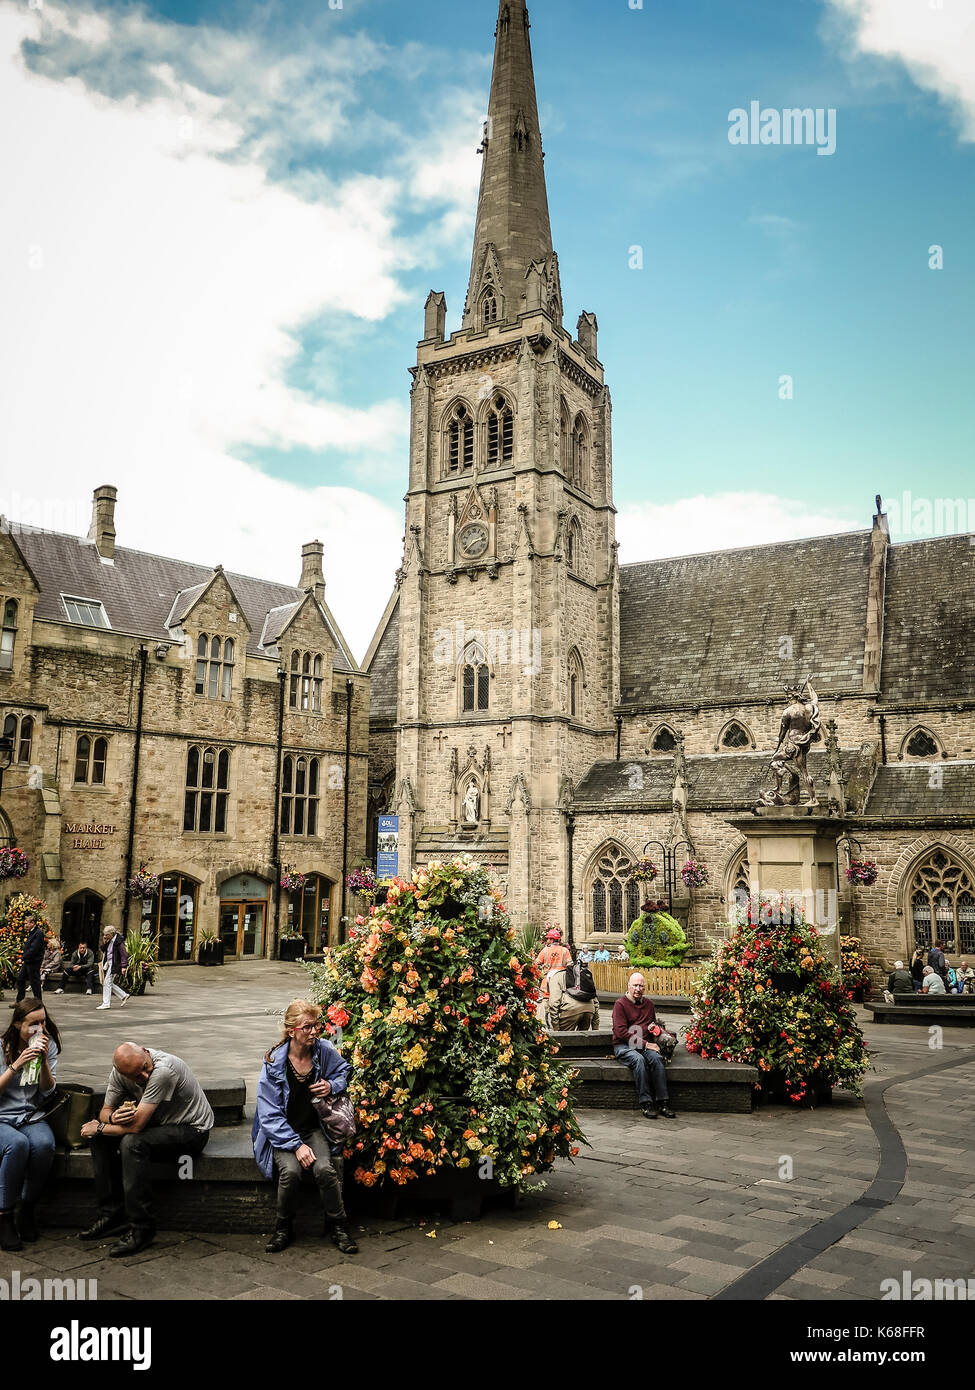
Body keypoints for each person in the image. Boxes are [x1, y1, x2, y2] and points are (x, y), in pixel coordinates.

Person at [79, 1043, 213, 1256]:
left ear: (144, 1051)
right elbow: (105, 1110)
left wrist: (102, 1126)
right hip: (159, 1123)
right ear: (122, 1072)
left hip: (192, 1130)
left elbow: (135, 1127)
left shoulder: (163, 1071)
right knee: (101, 1139)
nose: (144, 1074)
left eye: (145, 1067)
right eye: (136, 1075)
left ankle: (142, 1228)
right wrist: (111, 1119)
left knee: (131, 1144)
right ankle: (112, 1215)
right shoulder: (119, 1073)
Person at [252, 1000, 358, 1256]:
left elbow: (344, 1071)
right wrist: (296, 1145)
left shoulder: (323, 1050)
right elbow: (269, 1115)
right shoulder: (274, 1061)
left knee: (325, 1169)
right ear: (292, 1031)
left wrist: (332, 1085)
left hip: (314, 1129)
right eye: (307, 1027)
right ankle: (283, 1227)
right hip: (283, 1132)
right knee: (290, 1172)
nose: (314, 1032)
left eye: (316, 1025)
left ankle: (339, 1226)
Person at [0, 999, 60, 1251]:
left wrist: (44, 1061)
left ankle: (27, 1209)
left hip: (30, 1116)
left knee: (44, 1144)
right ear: (17, 1025)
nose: (40, 1028)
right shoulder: (2, 1046)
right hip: (2, 1117)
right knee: (17, 1145)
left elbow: (47, 1092)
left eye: (43, 1022)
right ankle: (4, 1216)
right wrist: (15, 1065)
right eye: (33, 1024)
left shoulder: (49, 1045)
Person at [611, 973, 676, 1120]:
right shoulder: (620, 1005)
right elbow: (620, 1032)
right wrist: (647, 1044)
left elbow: (650, 1026)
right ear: (628, 986)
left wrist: (655, 1030)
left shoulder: (649, 1005)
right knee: (638, 1060)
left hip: (645, 1046)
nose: (638, 989)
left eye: (641, 986)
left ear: (644, 988)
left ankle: (663, 1102)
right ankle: (646, 1103)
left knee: (657, 1059)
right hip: (624, 1046)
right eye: (635, 985)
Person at [546, 955, 599, 1032]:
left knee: (565, 1040)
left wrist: (556, 1027)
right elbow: (594, 999)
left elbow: (553, 1002)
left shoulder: (555, 977)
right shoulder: (581, 975)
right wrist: (595, 1026)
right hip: (589, 1009)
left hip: (570, 1009)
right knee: (583, 1039)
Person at [14, 915, 46, 1005]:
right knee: (20, 979)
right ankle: (19, 1002)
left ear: (33, 923)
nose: (25, 925)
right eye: (25, 923)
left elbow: (33, 949)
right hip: (29, 961)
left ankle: (39, 1002)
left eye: (26, 923)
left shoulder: (38, 933)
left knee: (34, 982)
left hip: (34, 962)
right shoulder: (32, 932)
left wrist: (22, 958)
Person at [97, 926, 129, 1011]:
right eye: (104, 935)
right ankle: (123, 995)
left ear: (112, 934)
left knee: (107, 983)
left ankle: (106, 1003)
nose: (105, 936)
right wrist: (104, 942)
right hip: (110, 964)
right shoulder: (110, 941)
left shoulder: (118, 942)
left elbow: (124, 955)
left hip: (115, 965)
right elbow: (104, 950)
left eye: (107, 935)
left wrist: (124, 966)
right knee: (108, 983)